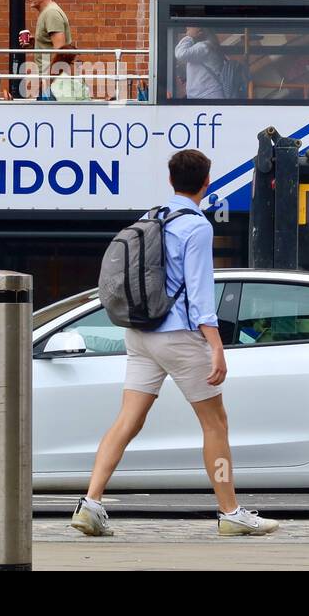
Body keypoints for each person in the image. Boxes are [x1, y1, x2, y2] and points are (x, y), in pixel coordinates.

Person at [70, 149, 280, 539]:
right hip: (179, 336)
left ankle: (92, 503)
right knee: (215, 423)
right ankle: (231, 511)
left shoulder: (153, 217)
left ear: (170, 181)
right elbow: (200, 294)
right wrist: (216, 346)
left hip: (140, 333)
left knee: (126, 421)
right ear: (207, 182)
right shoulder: (197, 226)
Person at [24, 0, 79, 99]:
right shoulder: (48, 12)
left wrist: (47, 82)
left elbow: (60, 52)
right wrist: (36, 43)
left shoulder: (51, 13)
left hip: (52, 83)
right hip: (50, 80)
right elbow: (54, 46)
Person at [174, 27, 226, 100]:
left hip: (207, 95)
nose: (187, 28)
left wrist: (189, 37)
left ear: (200, 31)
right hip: (205, 94)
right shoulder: (207, 46)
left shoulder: (204, 46)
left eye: (190, 28)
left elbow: (181, 54)